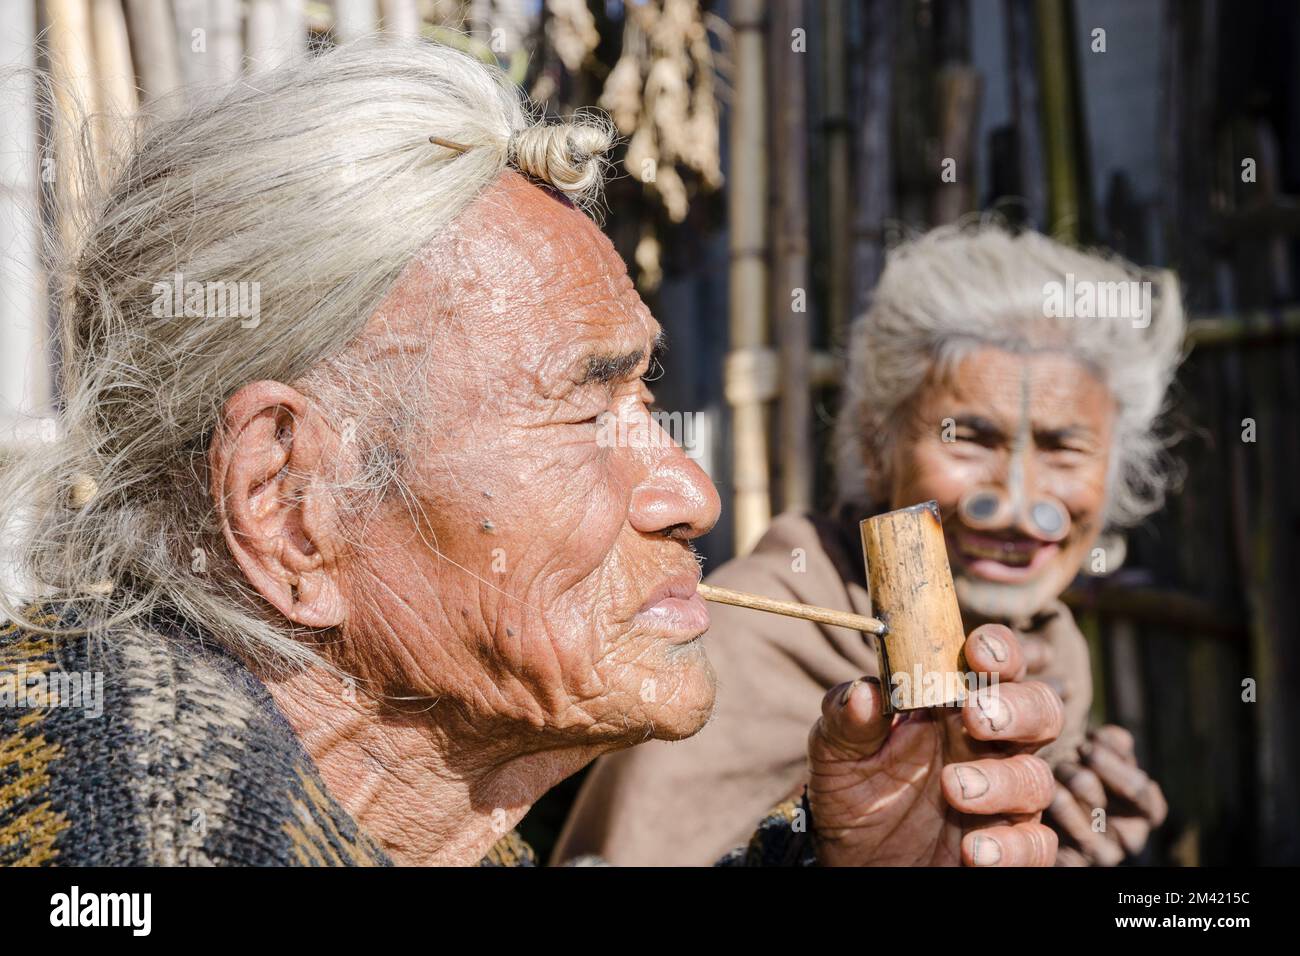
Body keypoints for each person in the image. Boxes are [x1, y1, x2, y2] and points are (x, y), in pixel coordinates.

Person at [0, 42, 1060, 867]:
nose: (690, 493)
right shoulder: (123, 817)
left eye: (644, 397)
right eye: (583, 408)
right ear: (288, 500)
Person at [558, 225, 1177, 866]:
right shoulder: (743, 643)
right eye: (969, 437)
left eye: (1064, 448)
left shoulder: (1052, 651)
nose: (1018, 506)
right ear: (875, 448)